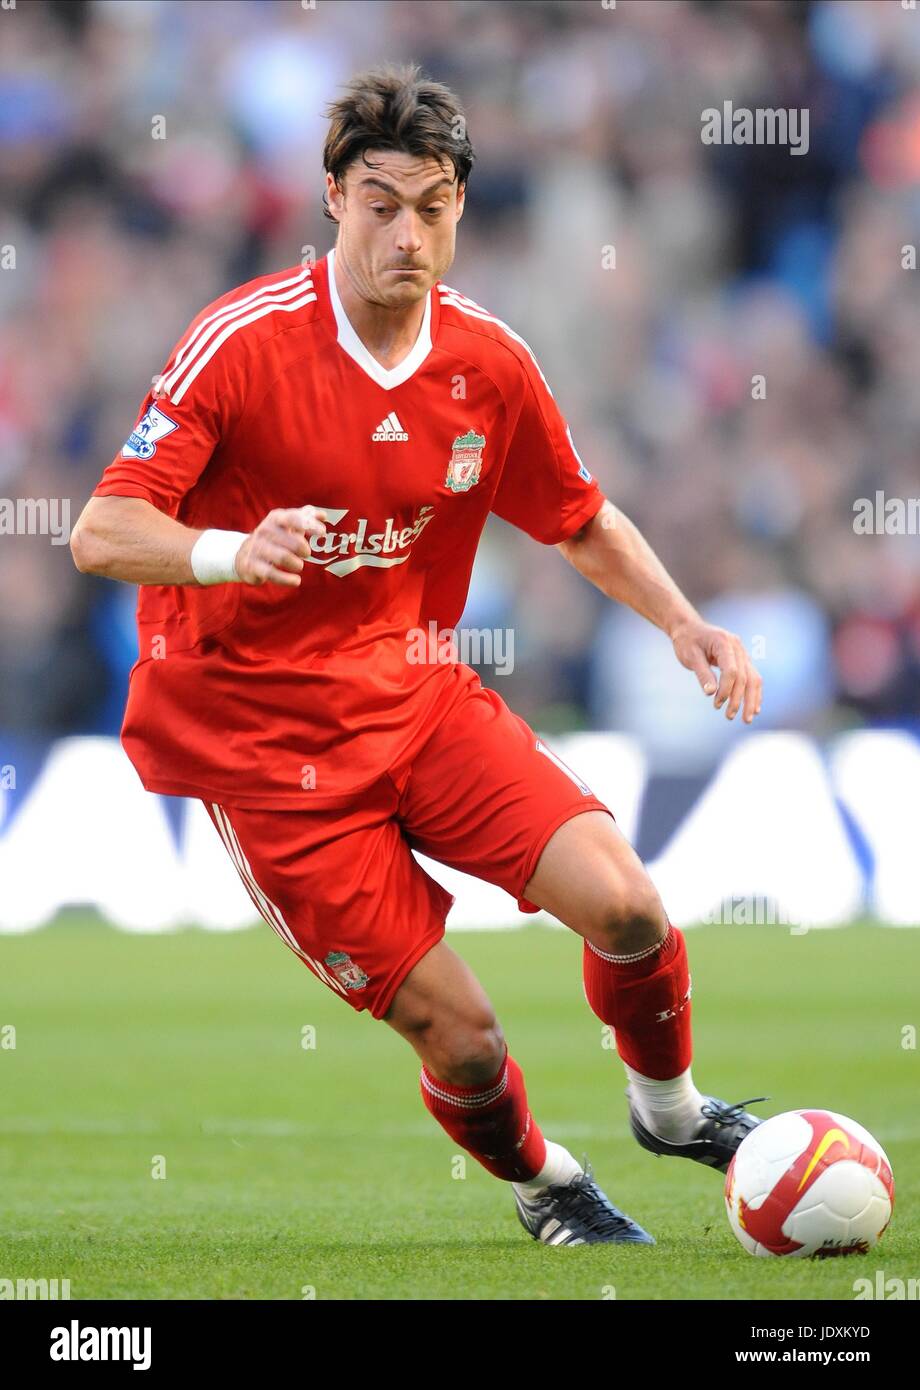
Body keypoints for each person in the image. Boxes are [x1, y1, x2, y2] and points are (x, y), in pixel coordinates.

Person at [70, 63, 764, 1246]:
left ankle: (673, 1110)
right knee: (467, 1035)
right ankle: (547, 1184)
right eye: (381, 202)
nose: (407, 231)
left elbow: (577, 517)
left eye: (432, 205)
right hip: (265, 751)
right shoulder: (239, 343)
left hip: (417, 694)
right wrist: (233, 551)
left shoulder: (485, 362)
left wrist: (682, 620)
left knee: (629, 909)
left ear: (459, 211)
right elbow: (100, 532)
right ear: (332, 198)